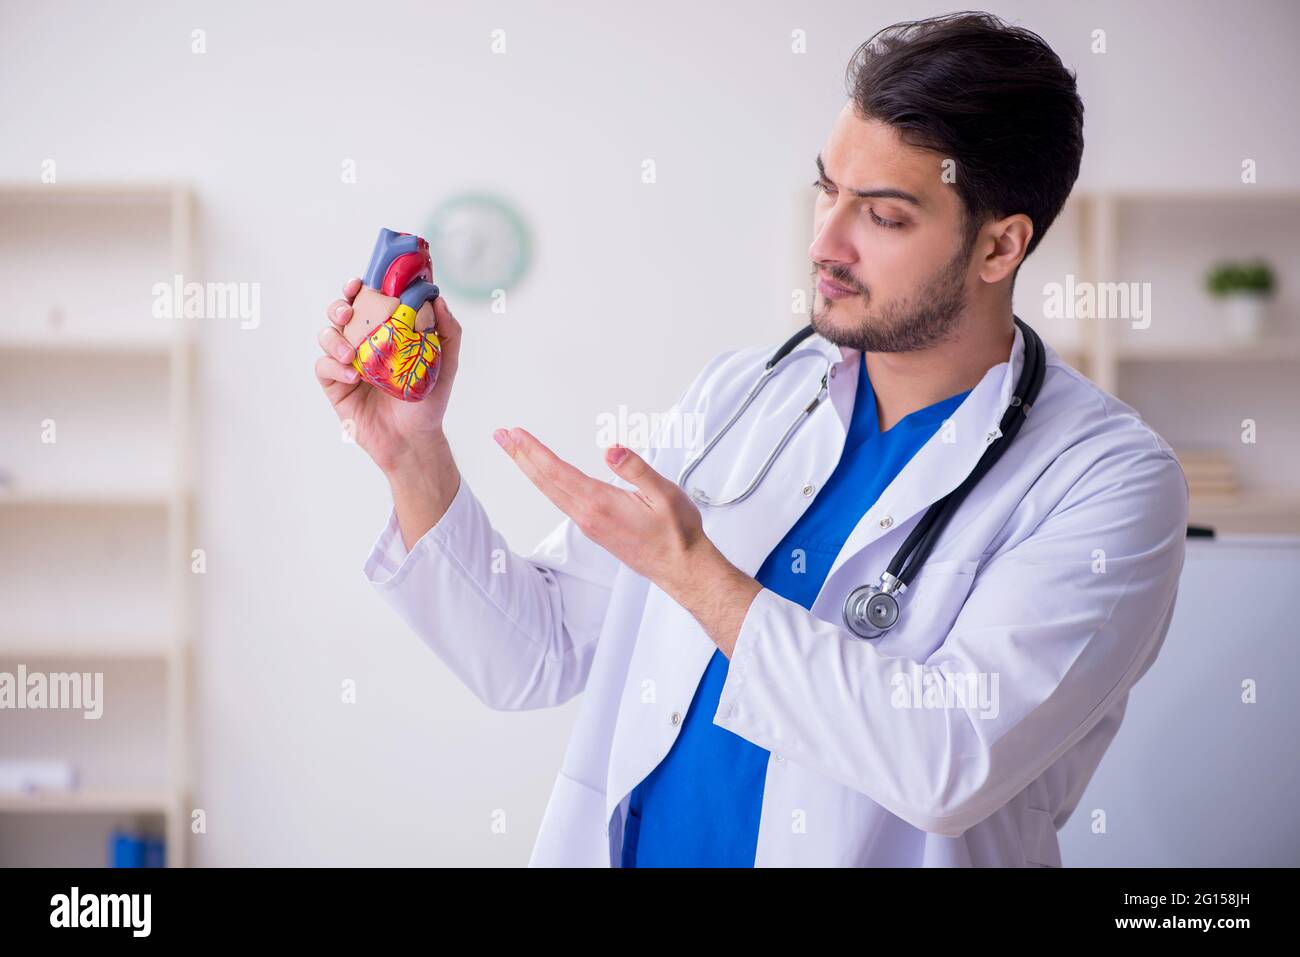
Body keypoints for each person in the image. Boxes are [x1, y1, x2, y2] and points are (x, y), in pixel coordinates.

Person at [314, 11, 1188, 867]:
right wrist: (410, 452)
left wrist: (699, 579)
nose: (825, 243)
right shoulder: (746, 395)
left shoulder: (1106, 481)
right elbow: (532, 655)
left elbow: (949, 760)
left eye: (882, 216)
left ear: (1000, 247)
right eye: (827, 190)